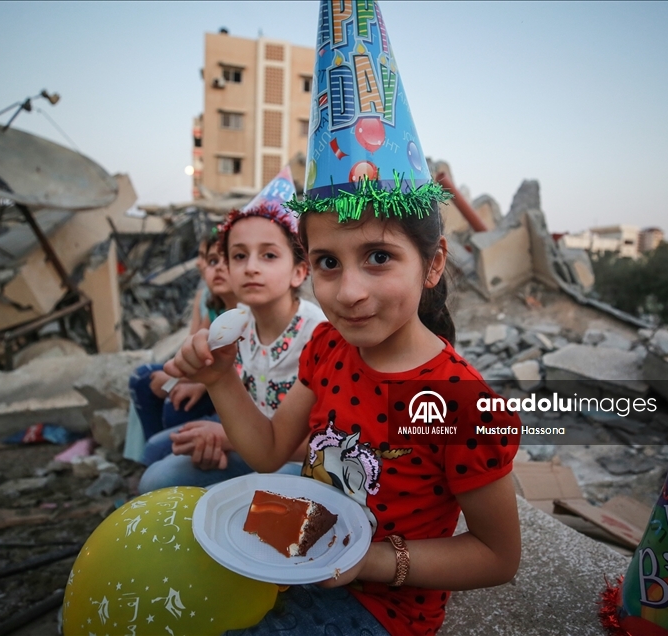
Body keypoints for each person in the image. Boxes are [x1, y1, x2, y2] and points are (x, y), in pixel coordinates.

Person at [164, 2, 521, 634]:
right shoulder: (328, 347)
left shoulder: (461, 402)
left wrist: (371, 562)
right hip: (304, 540)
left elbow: (497, 557)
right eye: (327, 261)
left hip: (378, 606)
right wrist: (221, 380)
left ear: (433, 262)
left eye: (379, 256)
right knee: (179, 554)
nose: (348, 291)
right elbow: (271, 452)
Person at [139, 166, 326, 492]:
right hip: (249, 443)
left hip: (301, 466)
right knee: (155, 461)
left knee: (164, 476)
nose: (251, 267)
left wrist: (227, 439)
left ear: (299, 271)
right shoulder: (236, 321)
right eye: (239, 256)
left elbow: (327, 442)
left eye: (268, 255)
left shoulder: (319, 334)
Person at [127, 230, 240, 466]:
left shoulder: (251, 312)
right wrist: (177, 378)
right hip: (216, 380)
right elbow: (195, 351)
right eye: (210, 260)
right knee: (143, 379)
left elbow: (244, 375)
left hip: (233, 393)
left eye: (229, 259)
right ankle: (153, 461)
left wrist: (199, 382)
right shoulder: (213, 301)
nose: (216, 267)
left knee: (174, 407)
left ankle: (161, 461)